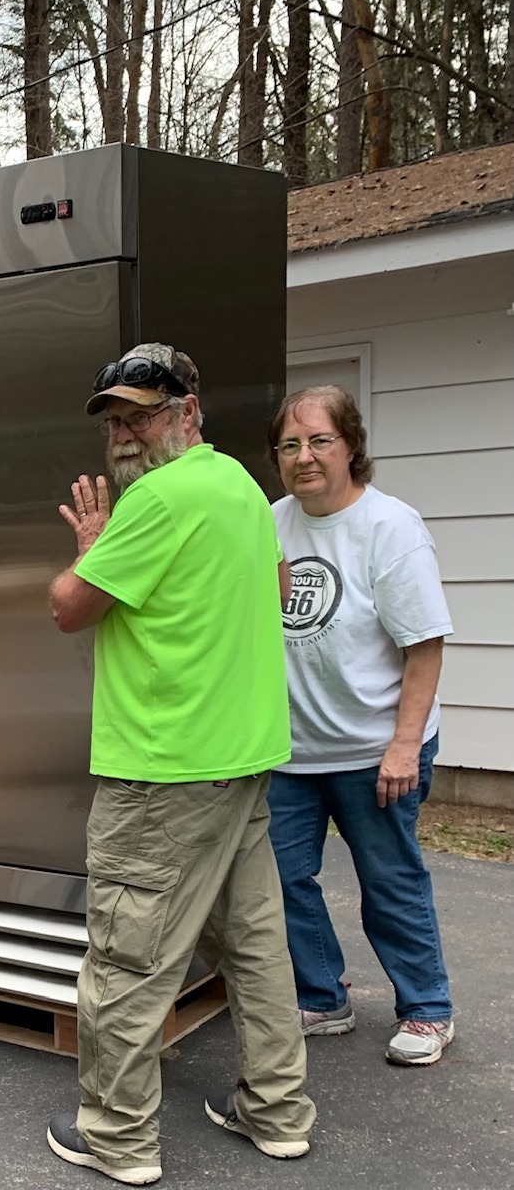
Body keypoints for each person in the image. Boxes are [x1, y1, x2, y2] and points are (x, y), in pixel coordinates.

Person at [45, 344, 314, 1186]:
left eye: (142, 413)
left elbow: (67, 607)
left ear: (188, 412)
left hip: (163, 772)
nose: (125, 432)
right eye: (115, 419)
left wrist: (92, 543)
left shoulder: (155, 500)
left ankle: (118, 1138)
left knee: (127, 956)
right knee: (255, 946)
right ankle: (276, 1113)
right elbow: (272, 592)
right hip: (241, 761)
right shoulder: (238, 485)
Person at [267, 385, 454, 1066]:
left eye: (319, 440)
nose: (303, 456)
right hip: (289, 753)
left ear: (349, 445)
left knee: (388, 881)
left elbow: (423, 644)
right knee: (281, 881)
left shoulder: (389, 527)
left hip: (375, 748)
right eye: (289, 445)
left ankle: (426, 1008)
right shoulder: (270, 521)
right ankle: (321, 996)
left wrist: (403, 746)